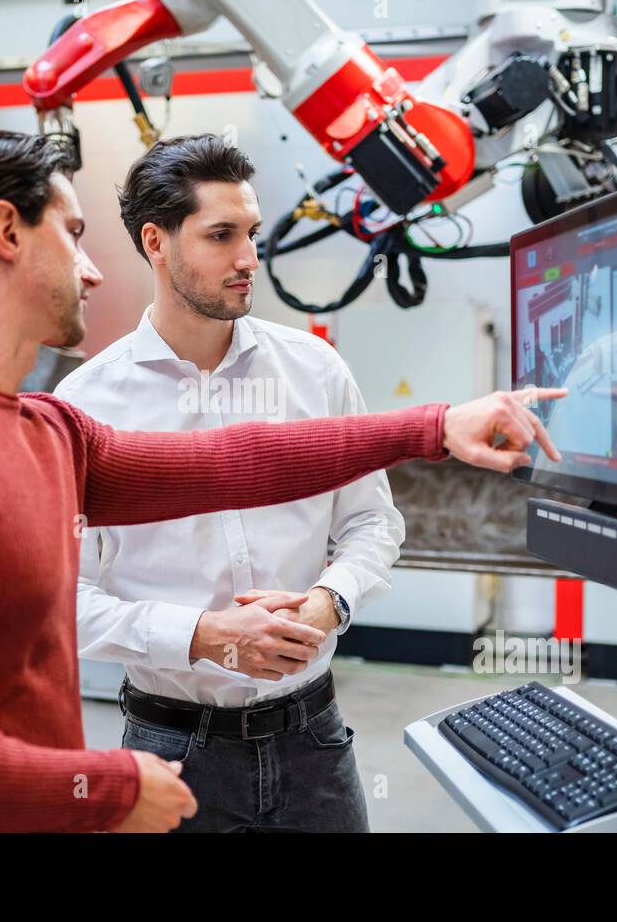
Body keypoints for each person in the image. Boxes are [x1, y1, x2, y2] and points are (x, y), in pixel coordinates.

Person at [0, 125, 564, 833]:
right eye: (75, 235)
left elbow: (237, 463)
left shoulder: (43, 431)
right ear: (6, 232)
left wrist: (434, 427)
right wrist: (111, 786)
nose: (92, 272)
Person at [56, 134, 403, 831]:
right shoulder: (86, 407)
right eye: (221, 235)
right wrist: (201, 636)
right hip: (172, 749)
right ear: (156, 242)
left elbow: (373, 522)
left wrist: (328, 602)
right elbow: (66, 602)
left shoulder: (315, 371)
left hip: (314, 740)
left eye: (250, 231)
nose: (249, 258)